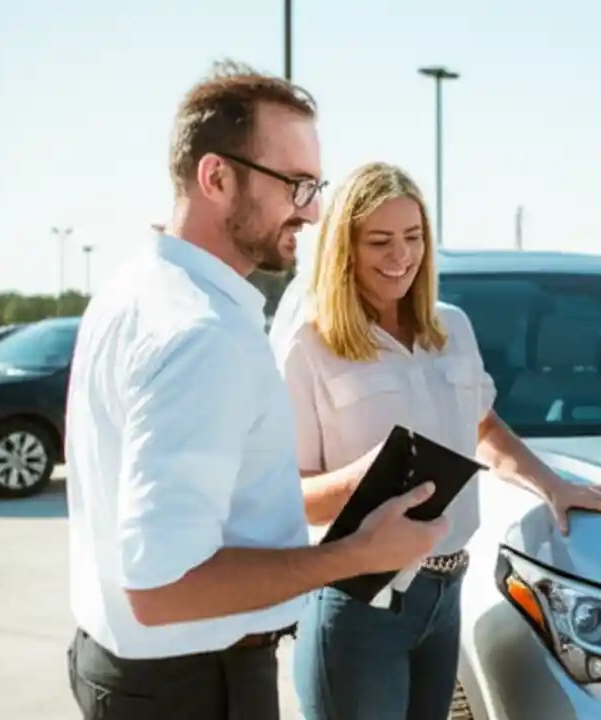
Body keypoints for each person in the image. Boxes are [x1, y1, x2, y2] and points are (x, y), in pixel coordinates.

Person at [64, 62, 449, 720]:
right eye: (297, 185)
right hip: (193, 688)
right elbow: (163, 588)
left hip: (131, 673)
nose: (316, 210)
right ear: (217, 177)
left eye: (316, 185)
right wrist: (356, 554)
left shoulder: (138, 289)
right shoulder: (199, 334)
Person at [273, 162, 601, 720]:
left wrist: (554, 486)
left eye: (413, 238)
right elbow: (284, 495)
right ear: (343, 247)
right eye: (381, 241)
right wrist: (366, 474)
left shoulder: (451, 329)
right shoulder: (311, 346)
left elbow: (484, 427)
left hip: (445, 594)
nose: (401, 257)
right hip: (357, 598)